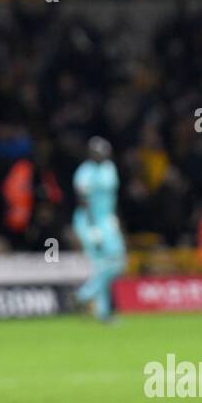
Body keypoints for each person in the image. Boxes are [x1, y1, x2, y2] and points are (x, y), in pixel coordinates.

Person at [73, 136, 125, 321]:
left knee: (118, 263)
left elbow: (113, 198)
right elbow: (83, 202)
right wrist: (93, 228)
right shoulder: (85, 172)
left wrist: (115, 220)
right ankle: (103, 312)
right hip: (90, 221)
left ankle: (84, 295)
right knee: (102, 264)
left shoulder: (110, 168)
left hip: (107, 220)